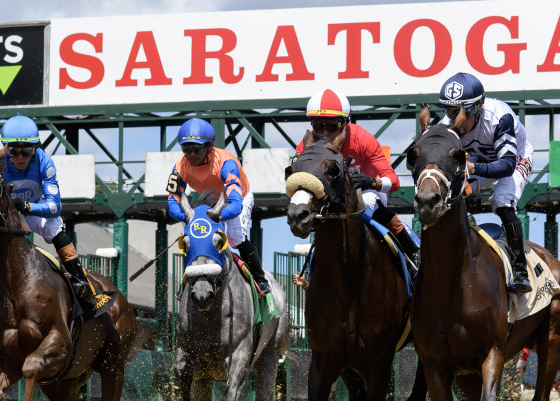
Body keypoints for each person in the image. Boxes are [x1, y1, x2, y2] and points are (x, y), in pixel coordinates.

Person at [0, 114, 119, 351]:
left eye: (26, 150)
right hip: (10, 216)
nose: (20, 156)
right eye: (13, 151)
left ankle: (82, 284)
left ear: (36, 148)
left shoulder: (45, 162)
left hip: (36, 210)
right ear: (5, 149)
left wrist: (28, 207)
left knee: (55, 226)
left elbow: (55, 206)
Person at [295, 88, 419, 270]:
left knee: (366, 202)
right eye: (319, 126)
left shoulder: (362, 139)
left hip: (366, 192)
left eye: (332, 125)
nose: (325, 132)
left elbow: (394, 182)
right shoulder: (307, 144)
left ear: (345, 122)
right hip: (331, 197)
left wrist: (372, 182)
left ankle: (411, 249)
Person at [437, 72, 533, 292]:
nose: (458, 120)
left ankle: (520, 270)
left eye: (465, 111)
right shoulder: (446, 124)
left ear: (479, 107)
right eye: (451, 111)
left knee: (501, 201)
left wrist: (473, 169)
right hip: (480, 159)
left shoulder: (499, 116)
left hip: (515, 158)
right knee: (452, 194)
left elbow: (506, 166)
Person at [165, 117, 273, 305]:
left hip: (238, 198)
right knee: (192, 236)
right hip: (209, 202)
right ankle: (187, 281)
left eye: (197, 149)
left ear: (209, 146)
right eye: (186, 149)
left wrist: (218, 216)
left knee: (234, 237)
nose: (191, 154)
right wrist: (187, 217)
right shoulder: (179, 167)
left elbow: (235, 205)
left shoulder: (226, 162)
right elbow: (172, 202)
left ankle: (260, 278)